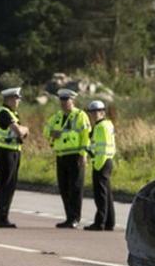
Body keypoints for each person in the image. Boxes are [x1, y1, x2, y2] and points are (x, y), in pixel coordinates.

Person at [44, 88, 91, 228]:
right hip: (61, 155)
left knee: (75, 187)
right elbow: (45, 129)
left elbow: (85, 135)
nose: (64, 103)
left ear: (73, 100)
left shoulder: (80, 115)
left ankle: (75, 218)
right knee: (64, 187)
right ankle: (68, 217)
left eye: (66, 100)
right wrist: (52, 133)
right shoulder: (57, 116)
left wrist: (83, 154)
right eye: (62, 101)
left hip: (75, 155)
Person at [0, 87, 29, 228]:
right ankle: (1, 219)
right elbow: (18, 130)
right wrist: (25, 129)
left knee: (9, 186)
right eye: (17, 98)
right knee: (6, 186)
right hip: (5, 153)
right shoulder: (5, 113)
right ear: (10, 99)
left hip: (12, 152)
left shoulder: (12, 113)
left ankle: (3, 217)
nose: (18, 101)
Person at [84, 100, 116, 231]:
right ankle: (109, 222)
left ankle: (100, 222)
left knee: (100, 194)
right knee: (107, 194)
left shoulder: (101, 127)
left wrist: (97, 165)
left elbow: (101, 148)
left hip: (101, 162)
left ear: (103, 112)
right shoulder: (106, 125)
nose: (94, 114)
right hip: (107, 161)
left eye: (97, 112)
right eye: (92, 112)